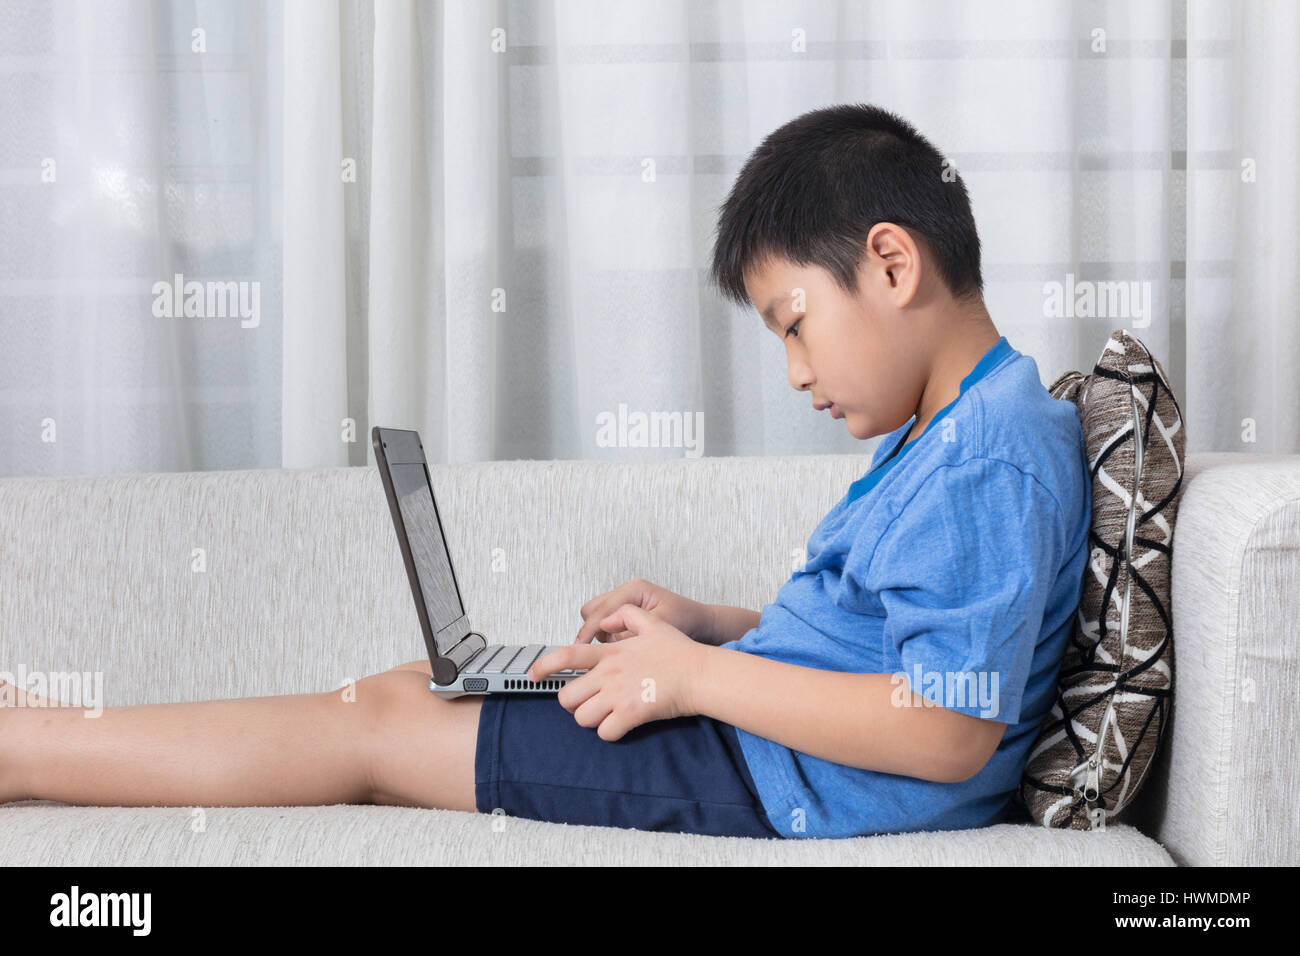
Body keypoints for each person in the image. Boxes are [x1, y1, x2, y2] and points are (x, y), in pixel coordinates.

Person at [0, 103, 1090, 841]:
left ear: (893, 263)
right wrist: (708, 624)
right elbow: (887, 638)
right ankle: (54, 731)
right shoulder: (954, 427)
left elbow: (944, 725)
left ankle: (31, 747)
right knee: (400, 691)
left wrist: (695, 678)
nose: (796, 370)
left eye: (794, 324)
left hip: (773, 781)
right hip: (765, 740)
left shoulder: (987, 452)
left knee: (378, 725)